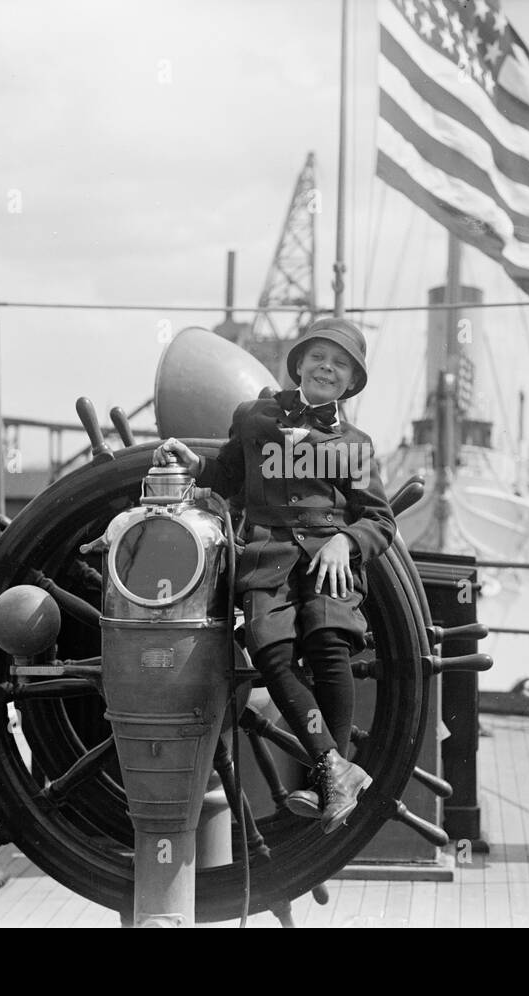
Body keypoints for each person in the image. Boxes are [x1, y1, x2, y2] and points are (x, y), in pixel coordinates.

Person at [153, 318, 396, 833]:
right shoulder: (254, 418)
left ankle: (329, 772)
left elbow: (379, 520)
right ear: (300, 365)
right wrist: (193, 463)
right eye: (319, 358)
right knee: (272, 654)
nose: (327, 368)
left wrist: (345, 540)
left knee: (329, 643)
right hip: (268, 558)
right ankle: (335, 767)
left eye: (341, 364)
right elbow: (226, 480)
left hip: (328, 561)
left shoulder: (356, 442)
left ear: (351, 381)